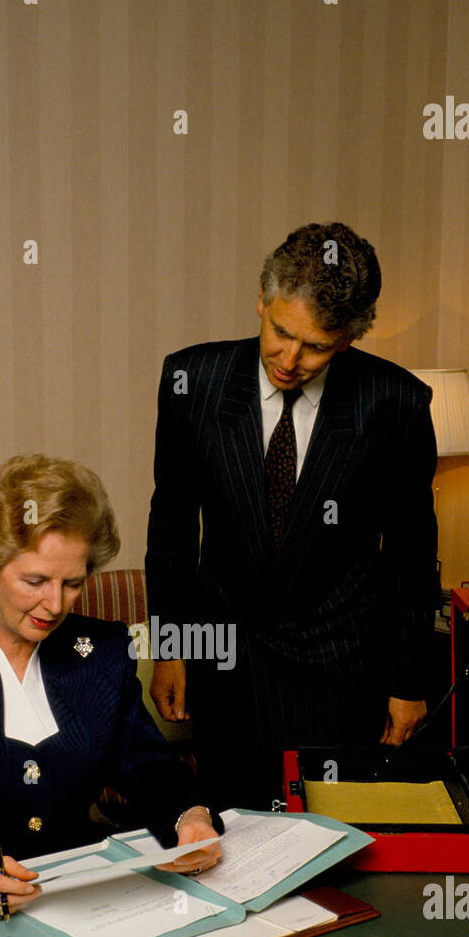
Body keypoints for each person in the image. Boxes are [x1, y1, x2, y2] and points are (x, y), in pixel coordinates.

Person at [145, 221, 438, 808]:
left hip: (340, 669)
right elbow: (172, 523)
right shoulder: (190, 381)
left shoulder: (395, 402)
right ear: (261, 298)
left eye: (318, 347)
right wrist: (171, 645)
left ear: (350, 339)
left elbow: (410, 554)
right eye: (280, 332)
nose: (291, 359)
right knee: (230, 844)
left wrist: (407, 683)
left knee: (331, 853)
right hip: (224, 660)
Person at [0, 456, 221, 919]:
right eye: (35, 581)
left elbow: (146, 765)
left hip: (81, 900)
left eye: (73, 583)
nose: (54, 604)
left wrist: (188, 815)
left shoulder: (102, 649)